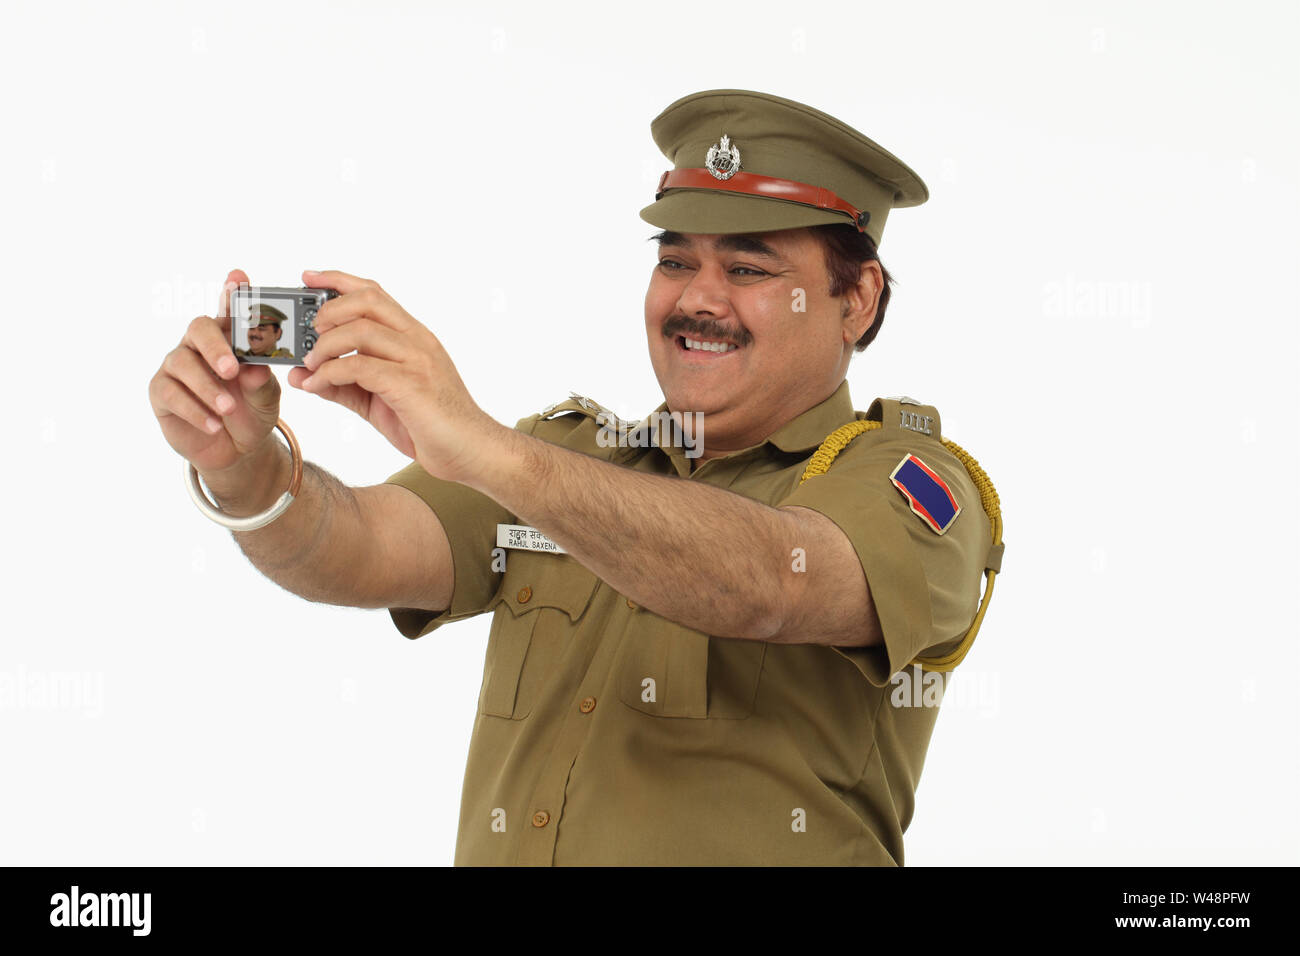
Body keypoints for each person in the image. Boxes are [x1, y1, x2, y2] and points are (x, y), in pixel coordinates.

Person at [148, 89, 1002, 866]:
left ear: (857, 299)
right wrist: (245, 467)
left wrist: (482, 445)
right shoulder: (571, 457)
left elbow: (774, 581)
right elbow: (362, 546)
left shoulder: (916, 485)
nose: (697, 299)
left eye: (748, 269)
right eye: (674, 261)